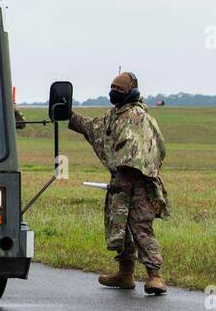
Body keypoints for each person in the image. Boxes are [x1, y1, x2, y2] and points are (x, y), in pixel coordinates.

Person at [68, 72, 169, 294]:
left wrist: (126, 174)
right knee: (120, 229)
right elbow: (92, 127)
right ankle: (125, 274)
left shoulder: (138, 117)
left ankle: (155, 276)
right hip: (120, 184)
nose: (114, 91)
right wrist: (69, 114)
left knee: (141, 228)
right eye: (112, 87)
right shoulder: (113, 115)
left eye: (119, 89)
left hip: (139, 184)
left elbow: (138, 151)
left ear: (131, 92)